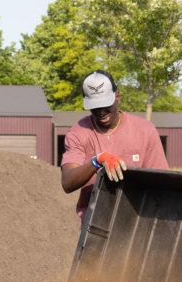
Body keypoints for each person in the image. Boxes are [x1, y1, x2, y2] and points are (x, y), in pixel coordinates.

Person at [61, 70, 169, 220]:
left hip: (137, 220)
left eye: (105, 104)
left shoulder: (144, 130)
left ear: (117, 96)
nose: (101, 112)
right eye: (95, 106)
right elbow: (68, 182)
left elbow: (162, 183)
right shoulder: (78, 133)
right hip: (95, 222)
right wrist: (96, 161)